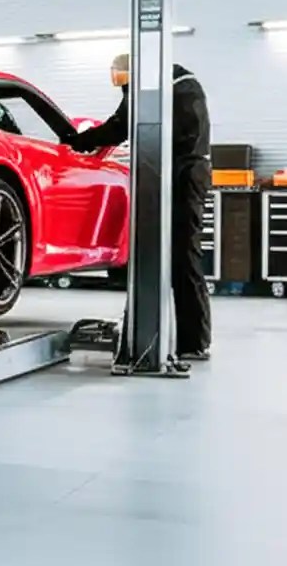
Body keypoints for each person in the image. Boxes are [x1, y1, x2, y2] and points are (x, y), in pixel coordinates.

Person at [67, 53, 213, 361]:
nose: (121, 86)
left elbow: (119, 126)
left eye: (121, 78)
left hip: (183, 175)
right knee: (179, 256)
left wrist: (78, 141)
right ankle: (190, 338)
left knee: (183, 255)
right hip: (184, 172)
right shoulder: (175, 83)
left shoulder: (161, 86)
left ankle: (193, 341)